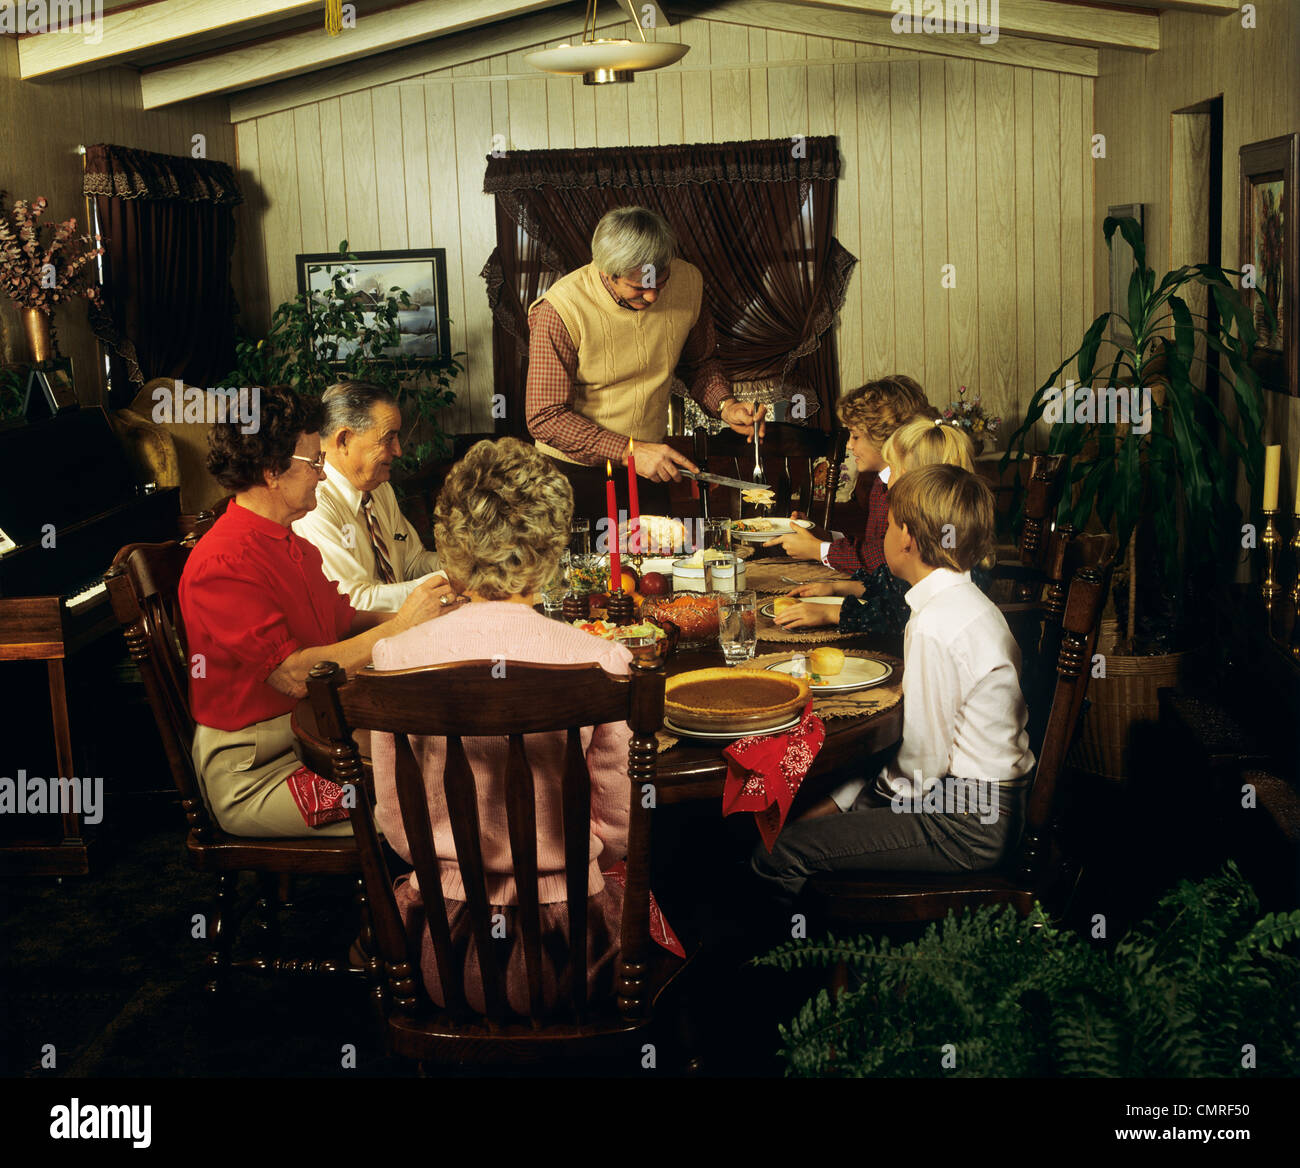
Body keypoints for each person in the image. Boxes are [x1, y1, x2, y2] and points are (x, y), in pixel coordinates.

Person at [370, 437, 636, 1015]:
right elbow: (618, 825)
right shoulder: (604, 662)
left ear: (450, 544)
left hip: (439, 946)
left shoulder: (393, 657)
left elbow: (394, 821)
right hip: (573, 947)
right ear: (552, 546)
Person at [179, 385, 458, 838]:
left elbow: (346, 620)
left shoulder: (291, 543)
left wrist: (437, 613)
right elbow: (292, 674)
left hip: (320, 741)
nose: (324, 476)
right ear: (272, 471)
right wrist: (405, 623)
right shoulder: (222, 564)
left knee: (445, 774)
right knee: (420, 804)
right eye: (314, 463)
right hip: (259, 774)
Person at [752, 464, 1034, 899]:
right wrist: (846, 800)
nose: (882, 534)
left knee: (779, 853)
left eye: (889, 524)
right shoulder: (965, 601)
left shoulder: (935, 624)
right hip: (992, 803)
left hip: (969, 821)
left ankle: (814, 957)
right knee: (827, 801)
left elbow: (923, 767)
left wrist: (854, 807)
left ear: (907, 539)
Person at [525, 205, 765, 519]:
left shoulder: (689, 281)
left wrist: (726, 405)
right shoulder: (558, 310)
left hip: (648, 470)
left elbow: (701, 363)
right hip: (570, 478)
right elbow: (545, 416)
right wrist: (630, 451)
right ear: (606, 273)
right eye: (639, 288)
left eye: (660, 282)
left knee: (655, 568)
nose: (652, 298)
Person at [774, 416, 981, 634]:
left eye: (891, 468)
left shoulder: (941, 546)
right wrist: (839, 587)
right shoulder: (940, 529)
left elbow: (901, 613)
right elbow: (898, 586)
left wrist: (830, 613)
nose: (885, 478)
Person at [293, 380, 443, 612]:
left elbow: (413, 563)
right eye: (388, 439)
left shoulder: (379, 489)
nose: (398, 450)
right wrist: (446, 584)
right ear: (344, 440)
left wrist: (465, 567)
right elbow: (354, 601)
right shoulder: (314, 504)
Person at [763, 374, 932, 568]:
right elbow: (873, 546)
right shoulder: (882, 481)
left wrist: (818, 550)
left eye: (856, 436)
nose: (849, 445)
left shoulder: (910, 488)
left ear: (886, 438)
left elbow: (884, 558)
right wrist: (821, 536)